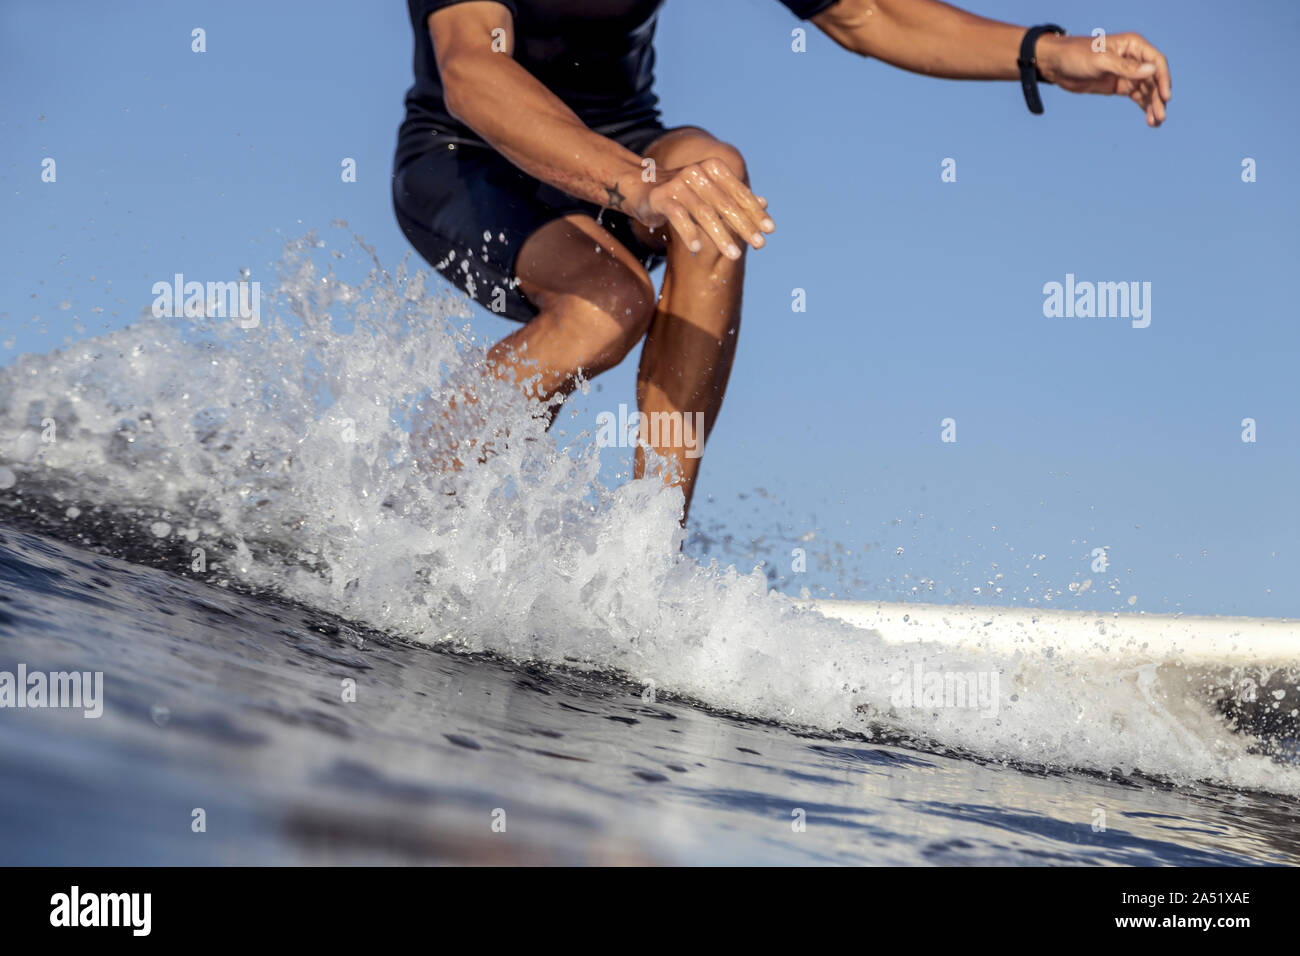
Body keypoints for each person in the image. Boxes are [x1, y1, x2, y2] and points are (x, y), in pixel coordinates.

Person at [392, 0, 1171, 522]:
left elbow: (867, 14)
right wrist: (636, 185)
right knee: (608, 305)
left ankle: (642, 556)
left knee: (714, 180)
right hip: (471, 157)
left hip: (630, 145)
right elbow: (472, 70)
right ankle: (414, 512)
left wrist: (1044, 52)